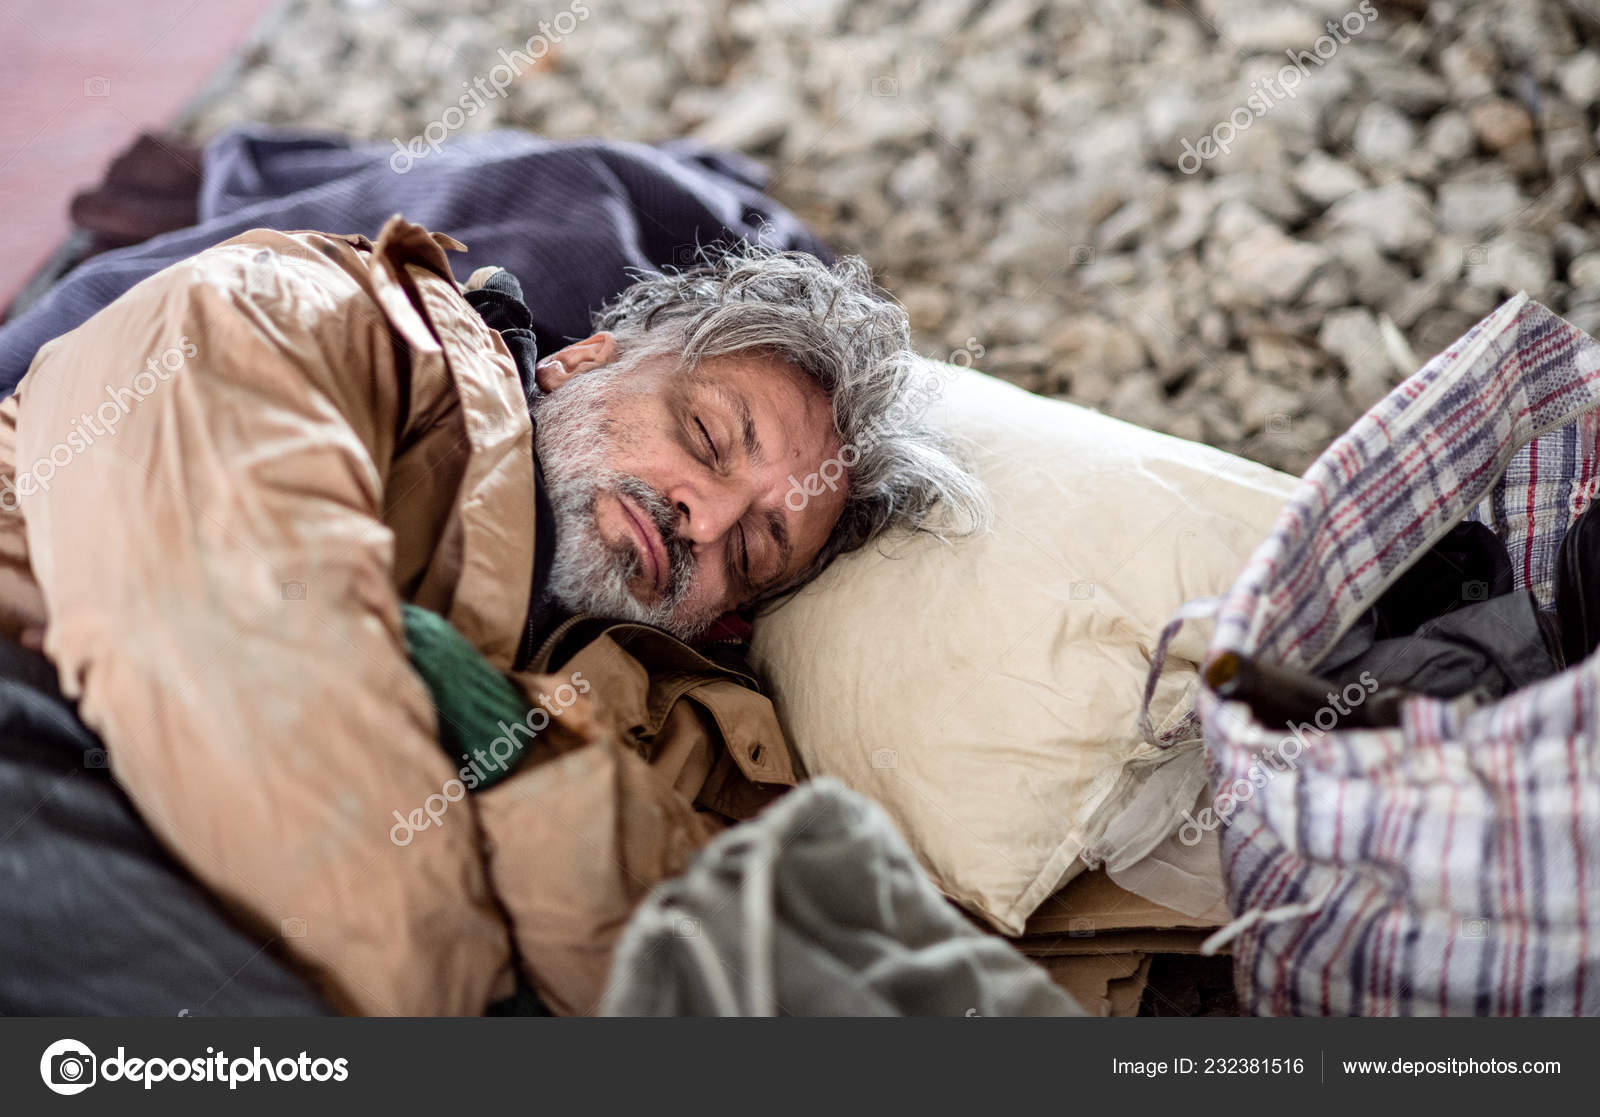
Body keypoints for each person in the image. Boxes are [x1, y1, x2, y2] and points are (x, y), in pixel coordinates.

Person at [0, 216, 988, 1013]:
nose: (707, 514)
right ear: (585, 360)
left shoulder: (676, 728)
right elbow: (236, 641)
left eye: (753, 548)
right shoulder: (311, 313)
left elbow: (711, 977)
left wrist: (518, 756)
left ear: (731, 619)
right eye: (706, 434)